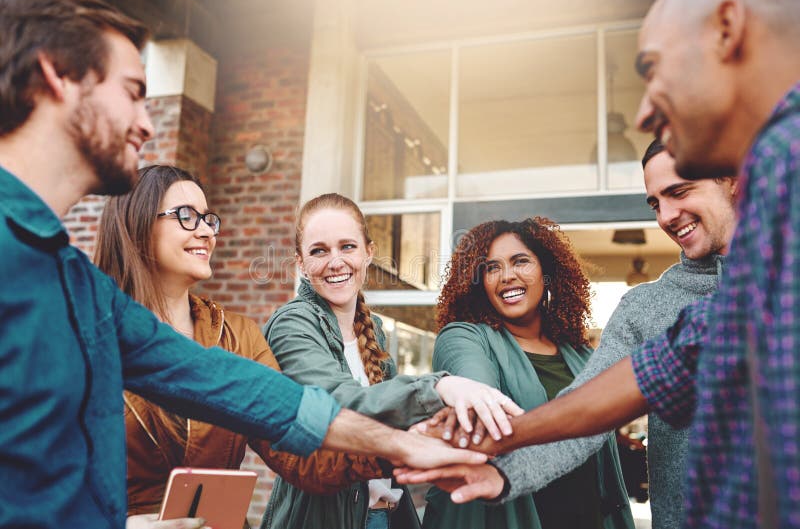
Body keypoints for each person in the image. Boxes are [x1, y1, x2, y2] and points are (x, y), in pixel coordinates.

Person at [0, 0, 486, 529]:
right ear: (57, 75)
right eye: (134, 91)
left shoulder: (78, 285)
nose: (146, 123)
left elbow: (235, 387)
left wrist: (402, 445)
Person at [396, 0, 800, 527]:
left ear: (726, 30)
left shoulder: (783, 158)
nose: (644, 109)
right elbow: (668, 365)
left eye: (654, 68)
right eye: (654, 202)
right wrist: (504, 459)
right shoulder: (706, 295)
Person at [422, 140, 736, 529]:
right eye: (655, 203)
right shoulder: (643, 310)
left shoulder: (782, 282)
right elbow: (586, 415)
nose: (667, 216)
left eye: (679, 191)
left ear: (733, 180)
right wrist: (504, 471)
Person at [94, 165, 392, 518]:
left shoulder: (237, 336)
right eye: (186, 216)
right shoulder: (82, 333)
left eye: (208, 219)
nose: (205, 230)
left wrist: (399, 448)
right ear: (136, 225)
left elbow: (300, 452)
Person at [260, 193, 522, 529]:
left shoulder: (374, 330)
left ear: (369, 252)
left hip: (385, 514)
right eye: (319, 251)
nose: (336, 261)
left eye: (347, 247)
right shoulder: (292, 324)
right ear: (300, 262)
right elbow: (334, 404)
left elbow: (389, 423)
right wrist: (440, 387)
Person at [423, 217, 634, 529]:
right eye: (492, 268)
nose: (507, 276)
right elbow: (479, 394)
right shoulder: (464, 337)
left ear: (547, 274)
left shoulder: (581, 355)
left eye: (520, 261)